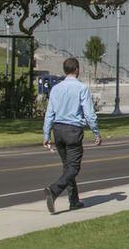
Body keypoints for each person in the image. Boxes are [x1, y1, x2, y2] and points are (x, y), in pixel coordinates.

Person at [42, 57, 101, 213]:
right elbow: (89, 113)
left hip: (58, 130)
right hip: (73, 131)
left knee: (67, 167)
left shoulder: (56, 89)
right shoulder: (81, 88)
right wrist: (96, 133)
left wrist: (46, 135)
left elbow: (49, 113)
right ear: (77, 69)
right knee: (73, 168)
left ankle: (73, 200)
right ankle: (53, 190)